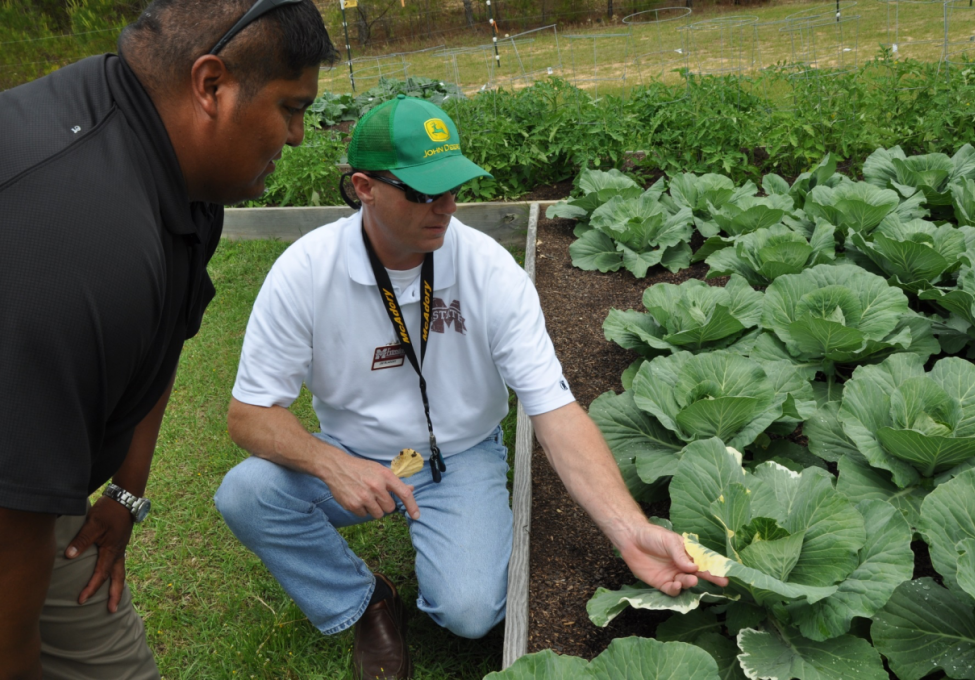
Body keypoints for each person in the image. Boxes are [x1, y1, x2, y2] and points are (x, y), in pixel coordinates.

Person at [214, 95, 728, 680]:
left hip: (457, 455)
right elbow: (249, 414)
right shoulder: (305, 271)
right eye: (422, 192)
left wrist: (630, 528)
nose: (444, 208)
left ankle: (444, 534)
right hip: (352, 451)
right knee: (247, 495)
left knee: (470, 612)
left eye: (453, 188)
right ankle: (365, 602)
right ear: (364, 187)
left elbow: (555, 410)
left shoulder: (488, 270)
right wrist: (332, 464)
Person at [0, 1, 336, 677]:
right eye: (290, 108)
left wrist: (125, 494)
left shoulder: (185, 172)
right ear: (210, 85)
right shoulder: (80, 243)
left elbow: (165, 338)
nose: (299, 136)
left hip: (36, 487)